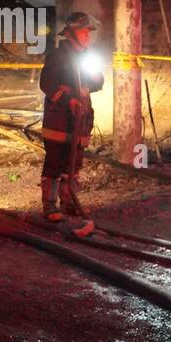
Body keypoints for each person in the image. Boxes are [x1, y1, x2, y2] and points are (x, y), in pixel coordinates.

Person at [39, 12, 103, 222]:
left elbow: (97, 82)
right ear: (72, 33)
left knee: (73, 164)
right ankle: (50, 205)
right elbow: (47, 84)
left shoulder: (86, 57)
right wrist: (69, 99)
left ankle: (69, 201)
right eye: (84, 32)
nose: (88, 37)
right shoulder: (58, 57)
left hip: (80, 120)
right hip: (59, 121)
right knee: (55, 163)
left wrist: (88, 83)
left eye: (88, 33)